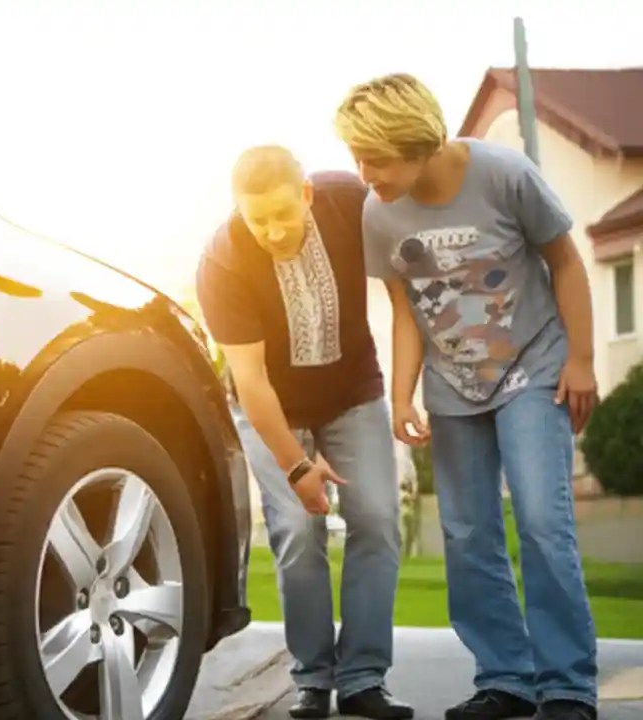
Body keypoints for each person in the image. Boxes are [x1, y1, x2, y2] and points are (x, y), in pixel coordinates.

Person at [335, 72, 600, 720]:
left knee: (542, 521)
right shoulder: (378, 211)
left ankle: (567, 685)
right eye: (355, 156)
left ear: (416, 140)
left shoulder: (504, 174)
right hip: (452, 386)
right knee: (466, 533)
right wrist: (402, 396)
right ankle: (506, 678)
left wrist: (584, 359)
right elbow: (404, 311)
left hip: (533, 367)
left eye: (374, 156)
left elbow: (566, 261)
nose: (363, 172)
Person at [195, 145, 413, 720]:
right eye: (256, 218)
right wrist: (296, 466)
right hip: (274, 409)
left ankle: (364, 677)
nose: (270, 231)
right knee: (295, 528)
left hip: (351, 394)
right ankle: (313, 679)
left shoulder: (346, 200)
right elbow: (251, 382)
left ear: (307, 197)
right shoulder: (223, 261)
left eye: (282, 215)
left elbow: (401, 265)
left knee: (378, 520)